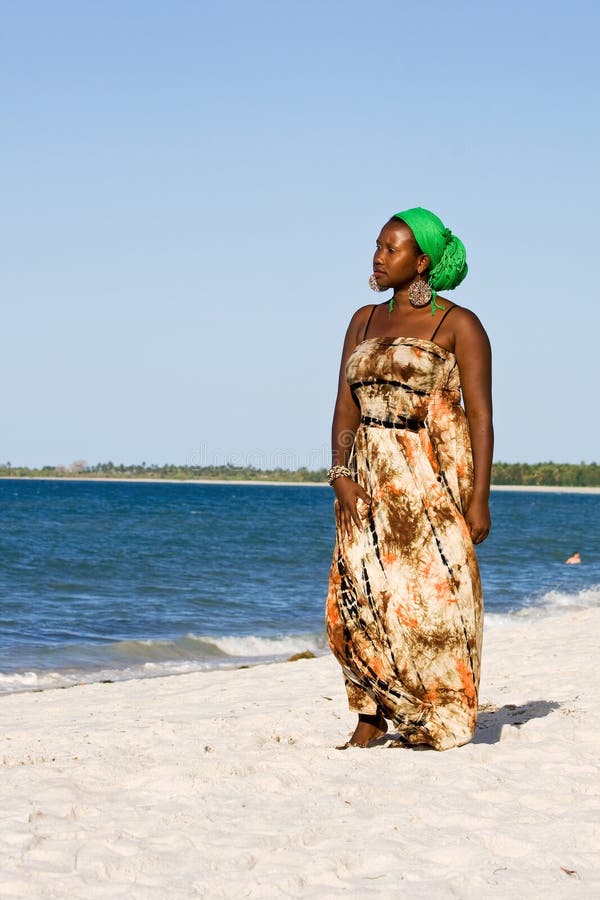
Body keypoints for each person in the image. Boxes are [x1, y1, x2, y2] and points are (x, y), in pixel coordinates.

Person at [325, 207, 493, 751]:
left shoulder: (458, 324)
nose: (378, 256)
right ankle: (369, 720)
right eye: (376, 245)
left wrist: (479, 500)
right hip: (367, 480)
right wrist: (340, 476)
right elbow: (345, 406)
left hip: (427, 478)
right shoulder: (363, 320)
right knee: (359, 597)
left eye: (390, 249)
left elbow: (481, 416)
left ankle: (437, 706)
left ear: (421, 262)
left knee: (432, 599)